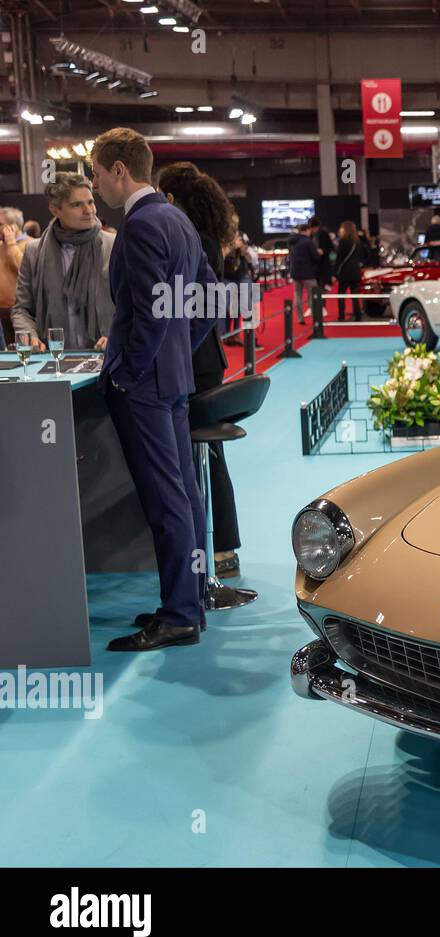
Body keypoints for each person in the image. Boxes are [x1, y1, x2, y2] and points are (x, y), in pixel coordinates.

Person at [90, 126, 219, 652]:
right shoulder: (176, 218)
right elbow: (211, 297)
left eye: (97, 174)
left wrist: (130, 370)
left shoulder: (141, 224)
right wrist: (178, 353)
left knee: (167, 500)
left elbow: (146, 313)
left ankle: (181, 614)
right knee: (184, 494)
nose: (95, 186)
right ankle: (190, 599)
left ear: (119, 170)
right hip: (171, 381)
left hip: (144, 386)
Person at [157, 161, 246, 580]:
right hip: (204, 359)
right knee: (208, 457)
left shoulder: (191, 239)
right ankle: (220, 550)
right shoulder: (204, 237)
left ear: (171, 197)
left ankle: (217, 550)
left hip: (194, 360)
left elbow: (195, 308)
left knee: (205, 457)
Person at [10, 172, 115, 353]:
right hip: (54, 358)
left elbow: (134, 304)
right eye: (77, 204)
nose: (89, 210)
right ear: (55, 209)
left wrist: (118, 334)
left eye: (90, 202)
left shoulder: (114, 246)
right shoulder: (34, 252)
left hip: (105, 356)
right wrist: (30, 336)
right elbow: (22, 309)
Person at [0, 215, 26, 349]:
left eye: (0, 224)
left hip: (20, 312)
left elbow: (22, 269)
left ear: (13, 226)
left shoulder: (28, 244)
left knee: (22, 351)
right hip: (1, 312)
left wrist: (11, 243)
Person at [288, 221, 320, 325]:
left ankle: (300, 318)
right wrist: (319, 253)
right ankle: (316, 319)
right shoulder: (308, 242)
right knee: (312, 296)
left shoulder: (292, 242)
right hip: (308, 273)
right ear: (306, 230)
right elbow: (315, 257)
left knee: (297, 295)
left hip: (295, 273)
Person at [334, 220, 365, 321]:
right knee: (355, 295)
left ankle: (341, 316)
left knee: (341, 295)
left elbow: (339, 258)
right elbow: (363, 256)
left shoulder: (343, 241)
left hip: (345, 272)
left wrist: (335, 272)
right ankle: (358, 316)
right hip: (355, 272)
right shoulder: (357, 241)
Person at [311, 216, 334, 294]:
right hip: (314, 262)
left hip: (323, 261)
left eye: (315, 228)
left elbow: (330, 247)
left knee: (323, 281)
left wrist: (323, 251)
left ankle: (323, 292)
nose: (314, 229)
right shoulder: (310, 235)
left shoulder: (324, 234)